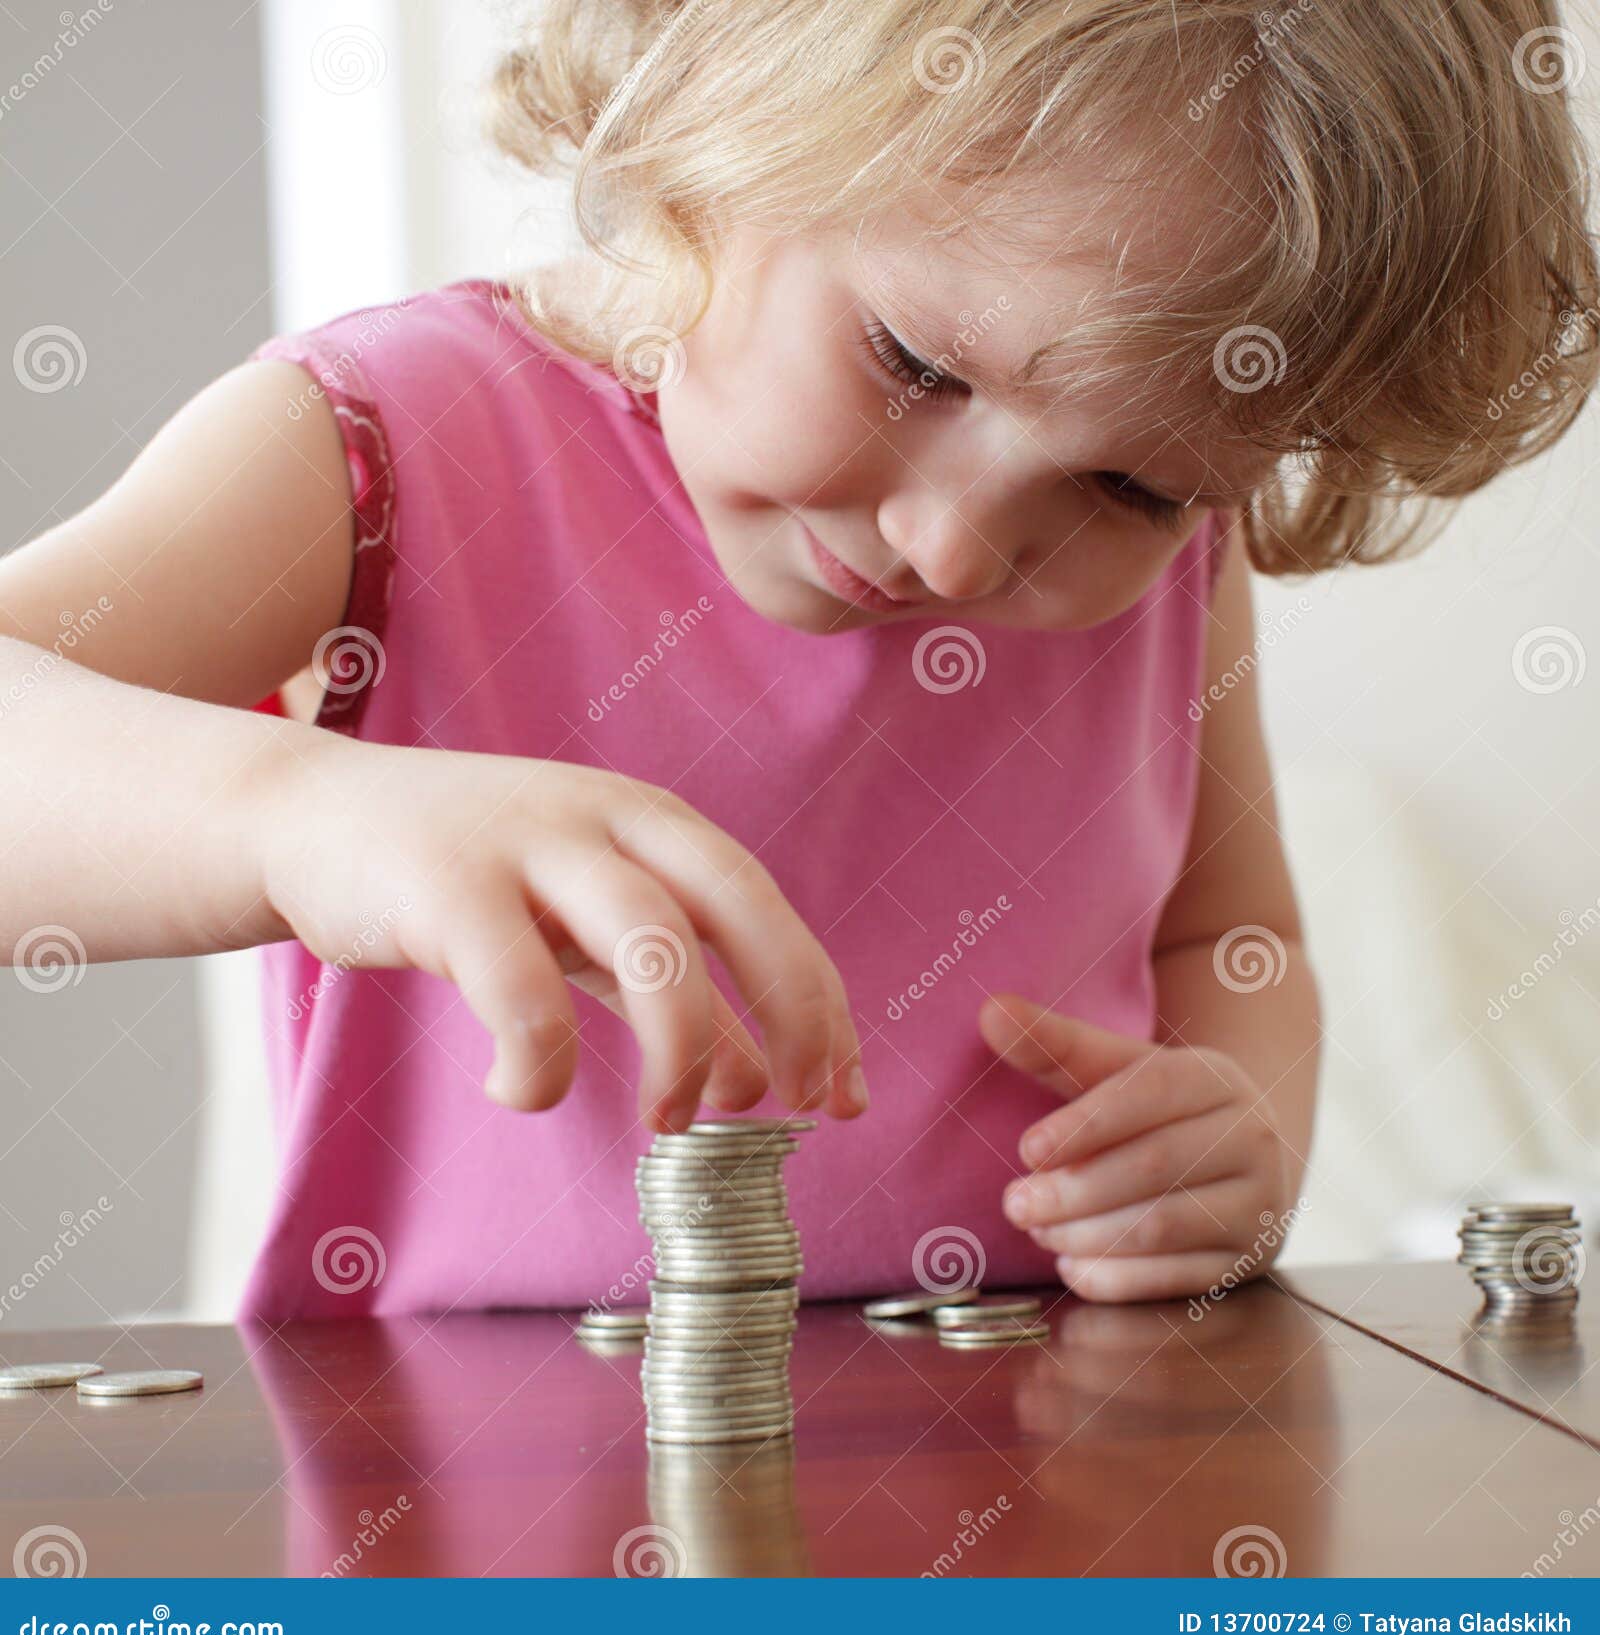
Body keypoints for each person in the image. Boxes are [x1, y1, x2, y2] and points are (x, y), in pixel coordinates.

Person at [3, 1, 1594, 1317]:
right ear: (721, 114)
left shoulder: (1172, 557)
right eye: (915, 363)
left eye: (1130, 486)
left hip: (1045, 1490)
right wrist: (299, 813)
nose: (965, 551)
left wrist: (1235, 1145)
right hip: (468, 1508)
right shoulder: (381, 447)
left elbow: (1232, 942)